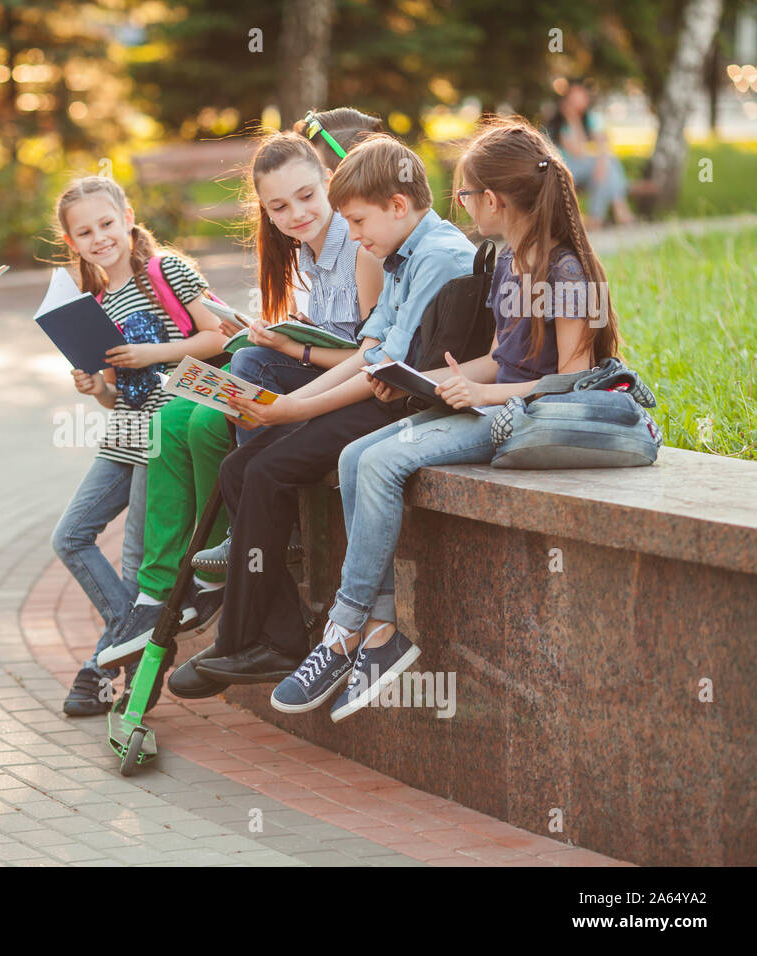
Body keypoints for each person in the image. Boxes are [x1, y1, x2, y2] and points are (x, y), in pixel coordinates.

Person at [272, 119, 619, 719]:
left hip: (525, 418)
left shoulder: (565, 270)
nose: (459, 204)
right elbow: (502, 359)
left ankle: (345, 631)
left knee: (378, 463)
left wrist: (482, 396)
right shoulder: (510, 260)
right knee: (354, 455)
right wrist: (440, 382)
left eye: (464, 194)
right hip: (491, 403)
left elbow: (574, 379)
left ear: (495, 200)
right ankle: (380, 635)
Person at [86, 111, 386, 709]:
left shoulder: (360, 248)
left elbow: (370, 355)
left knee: (212, 419)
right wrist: (270, 337)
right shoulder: (303, 255)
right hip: (237, 392)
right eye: (280, 208)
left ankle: (234, 576)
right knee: (174, 426)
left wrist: (286, 353)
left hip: (347, 393)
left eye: (307, 196)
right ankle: (169, 588)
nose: (297, 213)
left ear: (330, 180)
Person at [174, 133, 478, 697]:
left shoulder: (435, 254)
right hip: (379, 392)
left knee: (263, 471)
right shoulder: (402, 250)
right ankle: (276, 637)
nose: (355, 237)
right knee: (239, 470)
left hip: (401, 406)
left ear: (396, 206)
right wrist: (291, 405)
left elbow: (384, 367)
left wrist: (296, 407)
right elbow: (371, 348)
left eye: (358, 222)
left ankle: (245, 643)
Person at [51, 176, 226, 715]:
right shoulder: (94, 301)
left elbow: (219, 335)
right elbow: (114, 394)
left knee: (137, 564)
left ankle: (110, 672)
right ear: (72, 243)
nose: (99, 237)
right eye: (85, 232)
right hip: (125, 430)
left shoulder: (164, 270)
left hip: (165, 431)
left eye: (106, 223)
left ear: (127, 216)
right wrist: (96, 386)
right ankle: (134, 646)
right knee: (71, 536)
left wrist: (153, 353)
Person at [548, 79, 634, 229]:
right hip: (563, 169)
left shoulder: (591, 119)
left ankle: (598, 217)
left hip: (586, 167)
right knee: (607, 165)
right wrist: (572, 118)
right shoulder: (560, 124)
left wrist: (601, 162)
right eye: (574, 97)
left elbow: (603, 144)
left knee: (607, 164)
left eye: (581, 96)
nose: (578, 100)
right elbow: (578, 151)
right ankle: (617, 207)